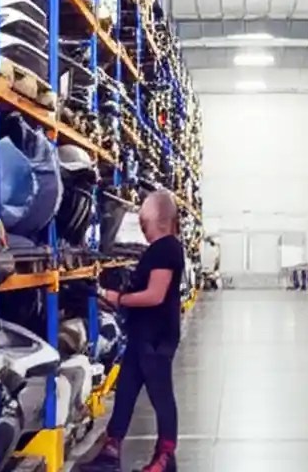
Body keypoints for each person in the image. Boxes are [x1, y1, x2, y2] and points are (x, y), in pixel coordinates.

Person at [81, 189, 185, 472]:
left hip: (155, 338)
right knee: (126, 390)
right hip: (142, 335)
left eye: (143, 219)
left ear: (156, 218)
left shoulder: (166, 248)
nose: (141, 225)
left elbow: (155, 295)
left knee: (160, 394)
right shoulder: (158, 249)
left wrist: (120, 299)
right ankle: (110, 452)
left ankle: (165, 458)